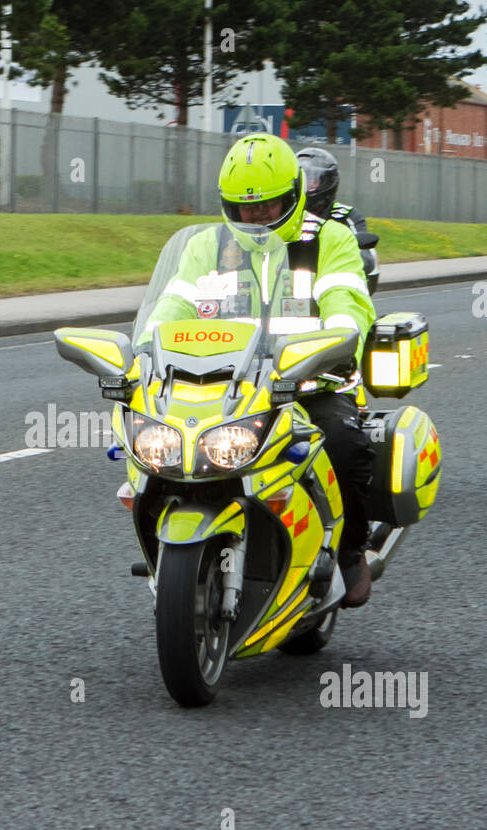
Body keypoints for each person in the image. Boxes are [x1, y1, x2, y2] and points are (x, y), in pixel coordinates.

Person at [143, 133, 377, 607]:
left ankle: (350, 552)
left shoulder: (328, 240)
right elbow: (173, 302)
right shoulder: (207, 247)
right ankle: (174, 555)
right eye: (243, 207)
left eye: (268, 206)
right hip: (228, 386)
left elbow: (347, 300)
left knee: (342, 440)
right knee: (159, 445)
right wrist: (145, 349)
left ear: (293, 196)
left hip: (311, 383)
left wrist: (338, 340)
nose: (254, 217)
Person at [296, 146, 380, 294]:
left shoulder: (346, 215)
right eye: (302, 180)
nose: (305, 186)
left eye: (312, 181)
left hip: (338, 285)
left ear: (327, 183)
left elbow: (365, 256)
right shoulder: (288, 216)